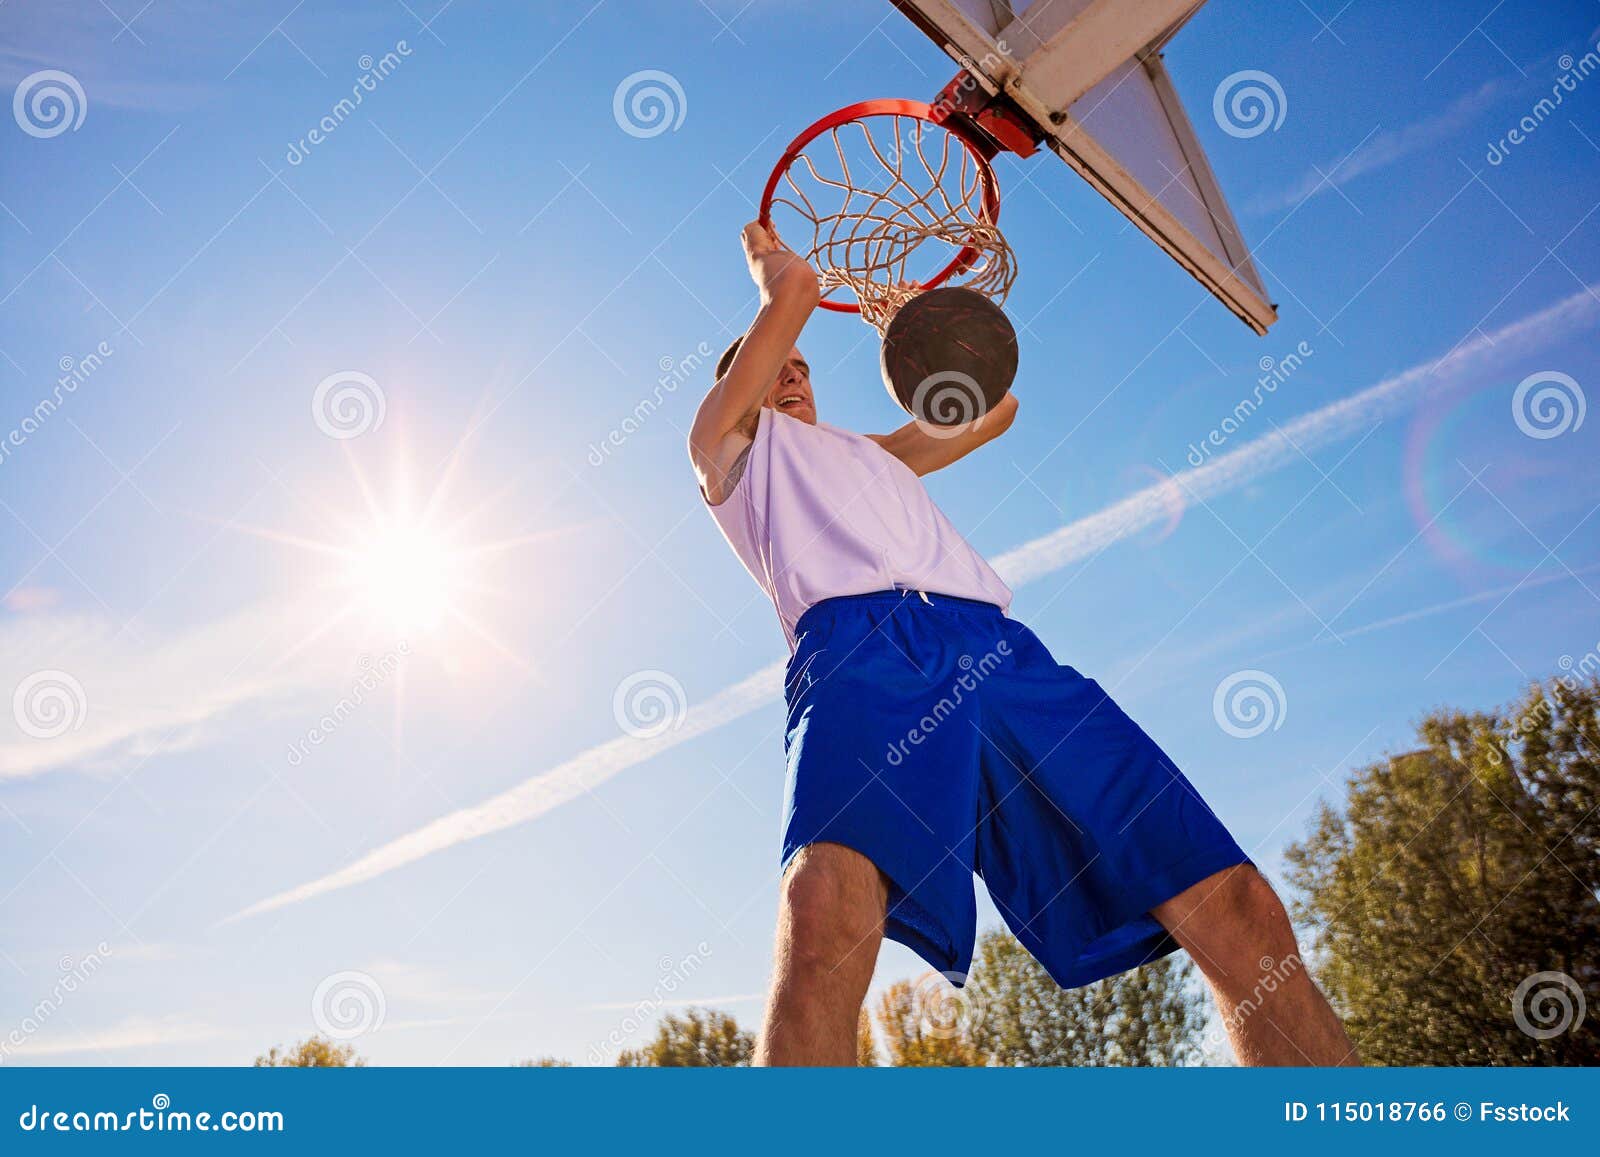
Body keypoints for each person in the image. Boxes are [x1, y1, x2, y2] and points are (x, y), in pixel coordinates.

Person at [688, 221, 1358, 1067]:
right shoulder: (725, 452)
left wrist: (915, 327)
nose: (790, 371)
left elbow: (995, 409)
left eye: (801, 367)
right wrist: (771, 275)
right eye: (771, 363)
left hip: (994, 650)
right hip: (861, 653)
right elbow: (791, 299)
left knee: (1241, 903)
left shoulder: (877, 453)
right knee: (826, 908)